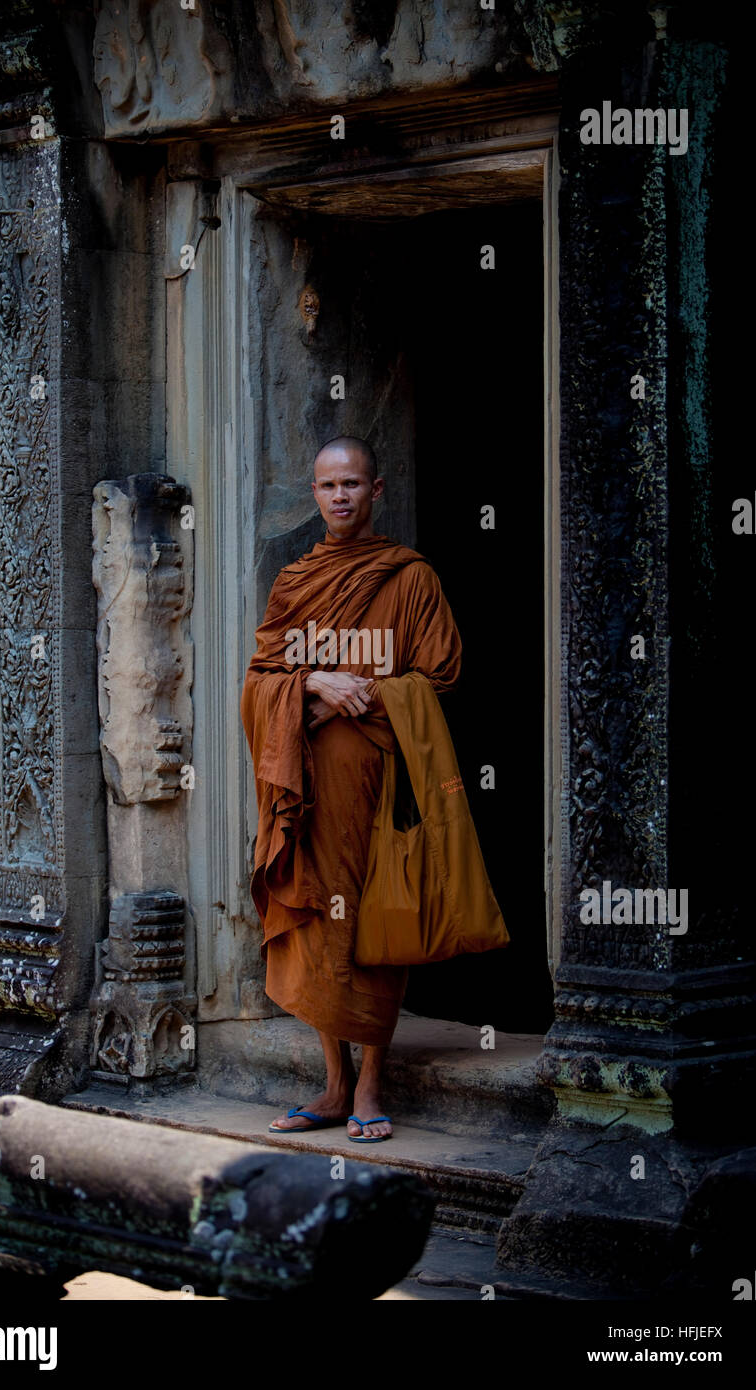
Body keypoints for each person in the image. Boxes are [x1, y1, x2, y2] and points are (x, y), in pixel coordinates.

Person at [240, 436, 461, 1141]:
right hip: (303, 787)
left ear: (377, 490)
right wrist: (312, 681)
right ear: (315, 494)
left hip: (378, 777)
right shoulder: (294, 581)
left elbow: (441, 674)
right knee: (313, 919)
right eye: (329, 486)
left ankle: (370, 1085)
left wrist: (363, 694)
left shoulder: (409, 577)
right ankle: (331, 1085)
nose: (341, 496)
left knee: (371, 927)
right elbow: (258, 679)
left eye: (353, 485)